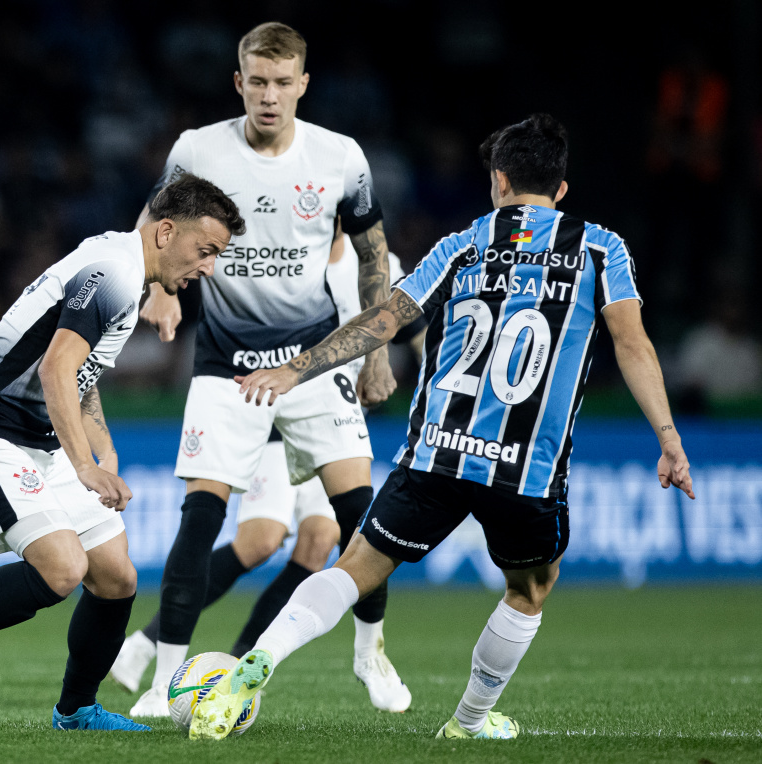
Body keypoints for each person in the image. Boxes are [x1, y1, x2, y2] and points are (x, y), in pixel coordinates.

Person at [188, 113, 696, 742]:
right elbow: (633, 345)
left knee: (350, 571)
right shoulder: (601, 249)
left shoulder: (461, 245)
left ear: (498, 180)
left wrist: (297, 367)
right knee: (530, 588)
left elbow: (381, 320)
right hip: (525, 468)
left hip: (436, 456)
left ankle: (253, 666)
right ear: (561, 189)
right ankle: (469, 722)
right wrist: (669, 440)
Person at [124, 21, 409, 717]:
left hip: (313, 364)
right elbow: (152, 221)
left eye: (283, 83)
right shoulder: (198, 148)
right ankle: (162, 683)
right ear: (238, 82)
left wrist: (374, 353)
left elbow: (374, 257)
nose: (269, 96)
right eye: (257, 82)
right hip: (224, 365)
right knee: (201, 521)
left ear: (303, 85)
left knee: (358, 520)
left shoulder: (340, 158)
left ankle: (369, 653)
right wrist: (159, 288)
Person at [0, 174, 245, 731]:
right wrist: (84, 467)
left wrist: (102, 452)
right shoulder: (116, 273)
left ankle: (76, 710)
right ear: (166, 231)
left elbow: (80, 372)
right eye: (206, 251)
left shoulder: (121, 266)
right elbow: (57, 369)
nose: (209, 267)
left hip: (39, 439)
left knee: (116, 577)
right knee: (62, 569)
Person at [112, 234, 425, 712]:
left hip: (330, 405)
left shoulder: (377, 262)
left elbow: (408, 322)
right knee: (260, 540)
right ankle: (148, 642)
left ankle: (241, 668)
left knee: (326, 538)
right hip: (269, 402)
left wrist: (429, 368)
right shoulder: (283, 251)